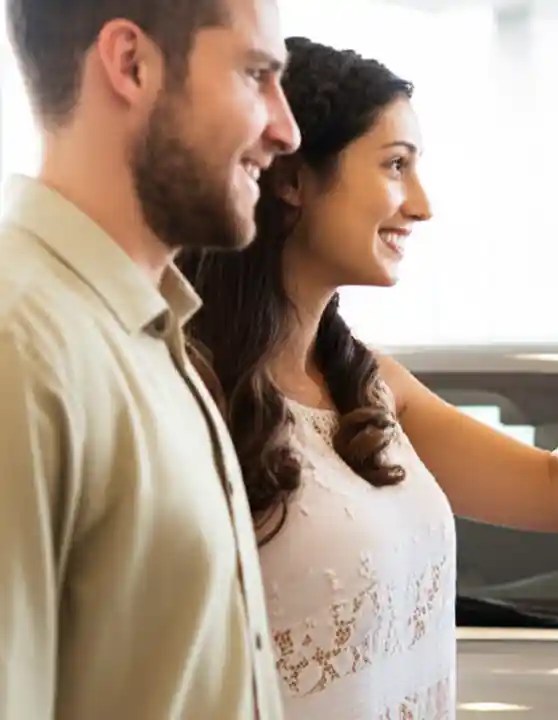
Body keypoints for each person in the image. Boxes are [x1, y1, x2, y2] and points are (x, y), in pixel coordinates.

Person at [174, 36, 558, 719]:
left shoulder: (371, 385)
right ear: (292, 177)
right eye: (395, 165)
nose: (421, 205)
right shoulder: (188, 395)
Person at [0, 0, 301, 718]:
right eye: (255, 74)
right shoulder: (21, 348)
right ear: (132, 64)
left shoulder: (146, 335)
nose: (285, 130)